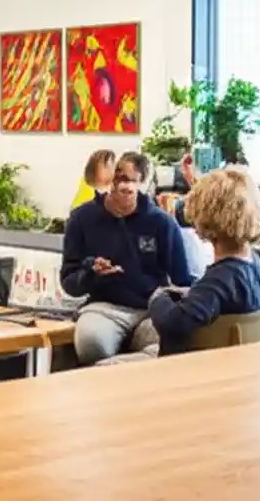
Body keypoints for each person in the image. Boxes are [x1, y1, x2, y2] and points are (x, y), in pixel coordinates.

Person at [61, 152, 194, 366]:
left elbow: (182, 282)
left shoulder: (161, 223)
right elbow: (69, 281)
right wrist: (91, 273)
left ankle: (118, 371)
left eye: (132, 181)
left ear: (142, 184)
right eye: (119, 180)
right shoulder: (81, 219)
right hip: (104, 308)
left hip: (151, 309)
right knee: (91, 342)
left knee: (170, 343)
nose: (125, 188)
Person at [148, 167, 260, 356]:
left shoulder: (218, 281)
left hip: (198, 370)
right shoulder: (258, 269)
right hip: (243, 367)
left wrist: (159, 297)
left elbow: (173, 323)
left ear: (205, 217)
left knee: (109, 365)